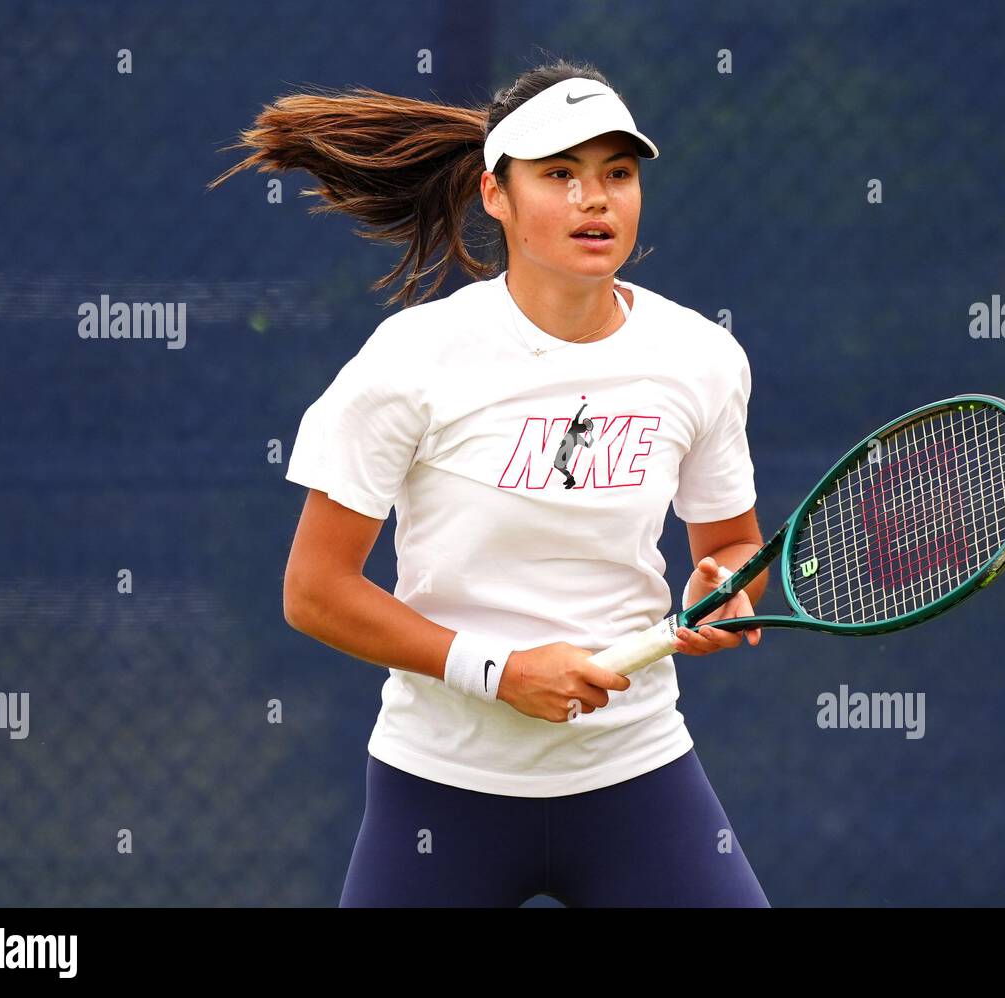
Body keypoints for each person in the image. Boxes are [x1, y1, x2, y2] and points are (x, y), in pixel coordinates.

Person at [210, 57, 771, 907]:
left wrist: (727, 588)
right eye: (560, 175)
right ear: (494, 194)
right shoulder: (412, 359)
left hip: (638, 776)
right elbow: (315, 592)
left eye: (617, 174)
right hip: (440, 792)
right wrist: (499, 670)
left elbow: (731, 546)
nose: (596, 199)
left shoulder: (701, 358)